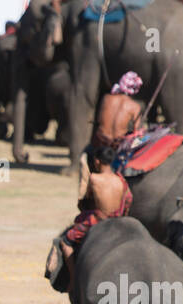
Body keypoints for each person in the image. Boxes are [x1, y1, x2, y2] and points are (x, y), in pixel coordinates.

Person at [59, 145, 131, 274]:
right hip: (118, 221)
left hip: (99, 220)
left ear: (97, 161)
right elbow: (128, 200)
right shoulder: (121, 180)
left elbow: (87, 198)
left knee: (66, 241)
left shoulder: (94, 179)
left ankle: (73, 278)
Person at [79, 71, 145, 200]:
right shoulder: (134, 107)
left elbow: (100, 122)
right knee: (144, 138)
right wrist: (136, 141)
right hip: (116, 151)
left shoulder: (106, 98)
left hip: (99, 146)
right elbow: (138, 135)